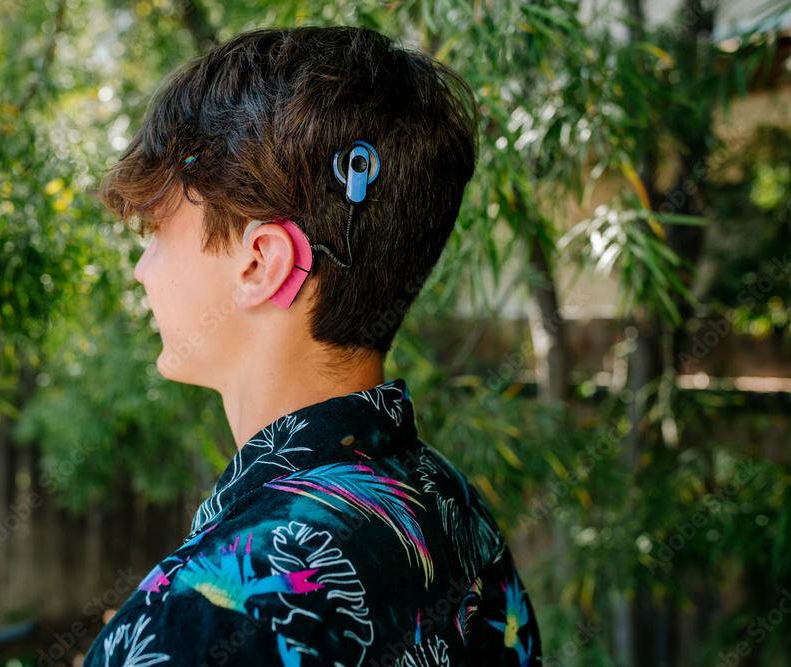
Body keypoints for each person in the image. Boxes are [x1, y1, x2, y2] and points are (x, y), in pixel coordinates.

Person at [82, 25, 542, 667]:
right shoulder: (458, 511)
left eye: (155, 230)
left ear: (261, 264)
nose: (142, 270)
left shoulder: (195, 619)